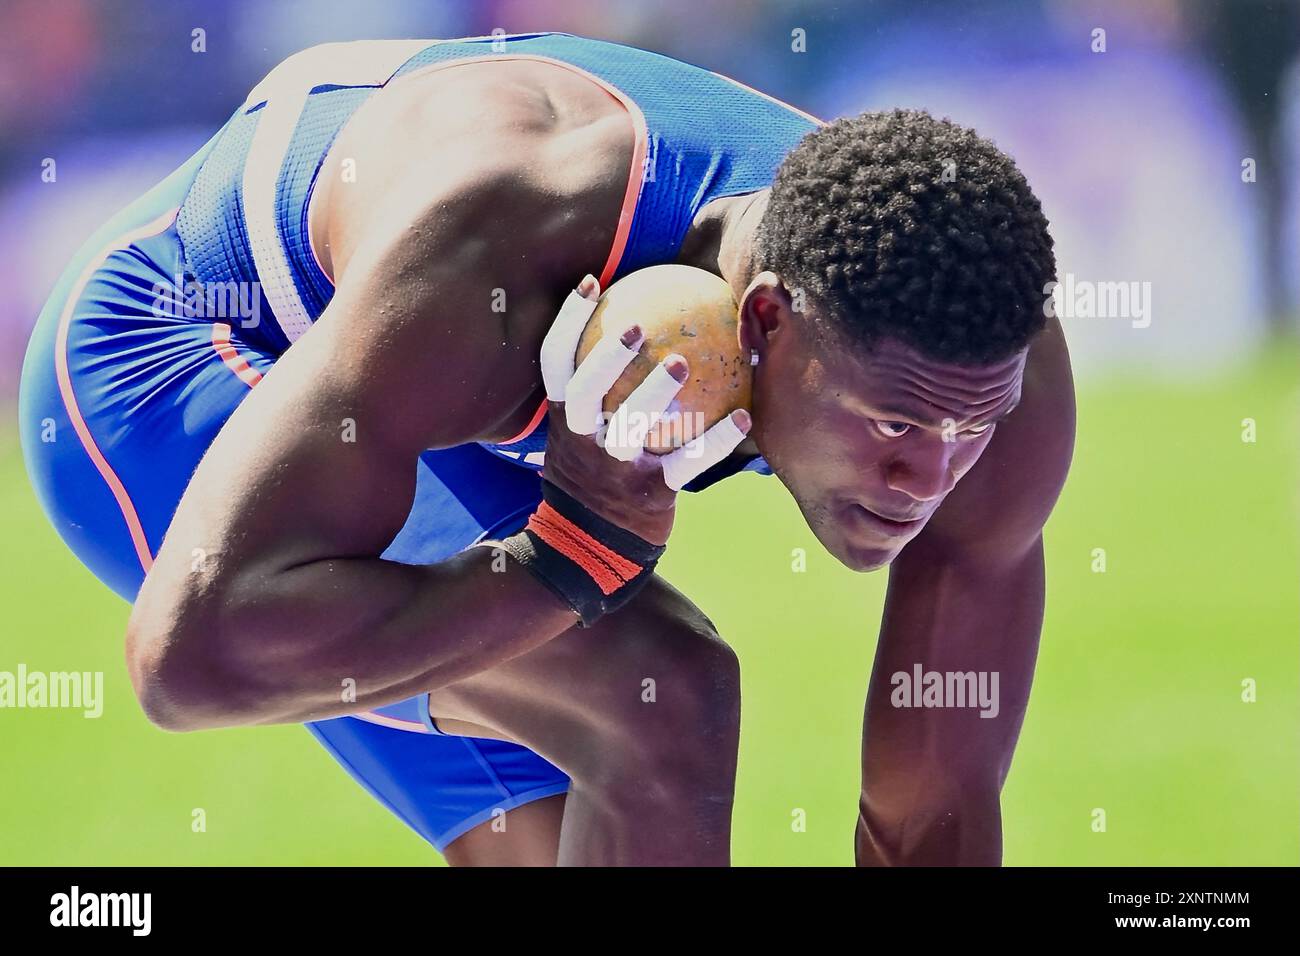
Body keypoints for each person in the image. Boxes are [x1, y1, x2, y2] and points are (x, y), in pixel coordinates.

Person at [19, 32, 1074, 866]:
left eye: (964, 429)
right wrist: (570, 554)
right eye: (892, 425)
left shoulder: (984, 365)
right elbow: (191, 658)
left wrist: (565, 559)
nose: (927, 479)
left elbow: (932, 803)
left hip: (398, 381)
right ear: (761, 323)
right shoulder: (507, 245)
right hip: (168, 353)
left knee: (612, 788)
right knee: (657, 697)